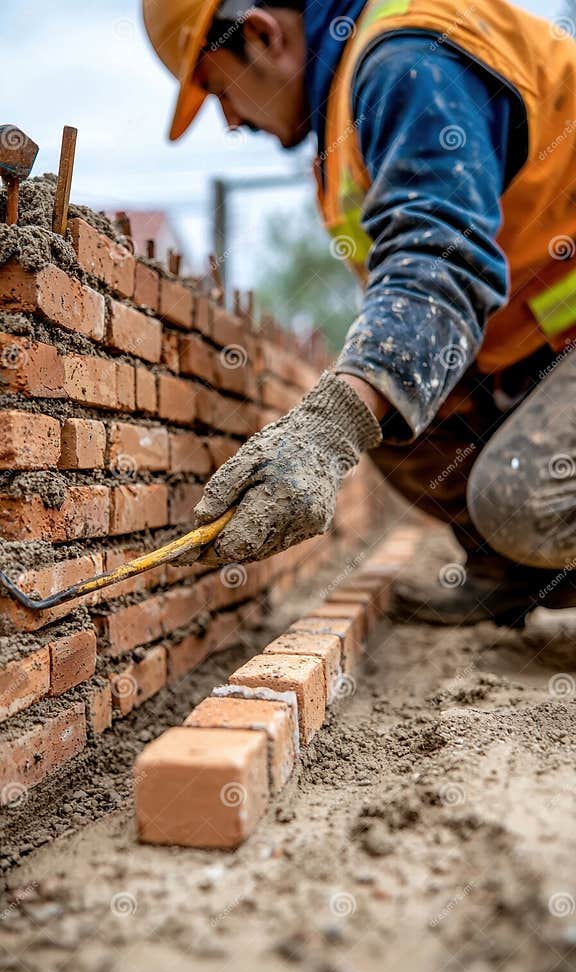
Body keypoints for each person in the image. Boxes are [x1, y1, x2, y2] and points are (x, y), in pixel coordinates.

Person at [143, 0, 576, 627]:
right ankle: (514, 578)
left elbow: (439, 257)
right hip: (543, 343)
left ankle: (529, 550)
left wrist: (326, 430)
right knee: (401, 424)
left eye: (216, 89)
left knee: (525, 500)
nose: (231, 121)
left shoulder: (406, 58)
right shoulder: (349, 104)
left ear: (262, 34)